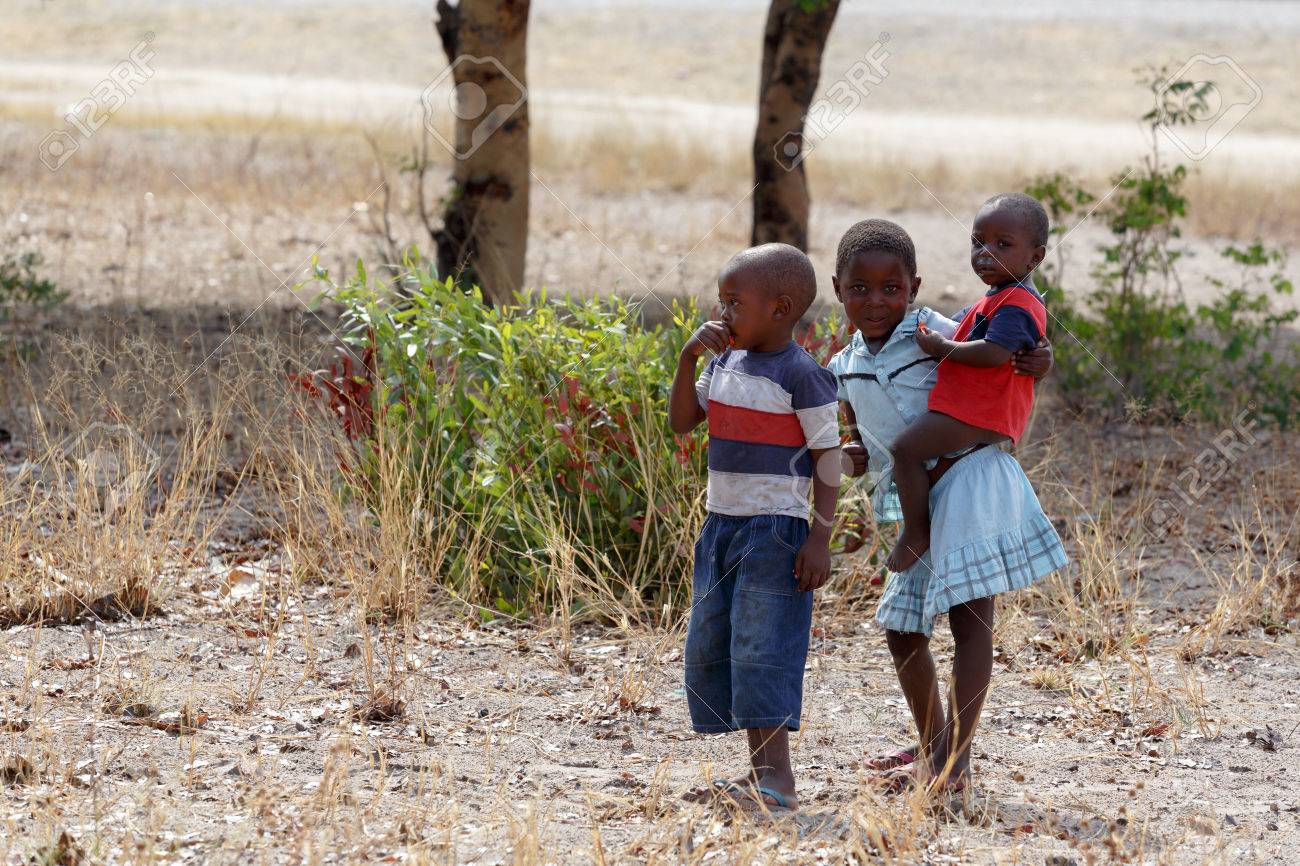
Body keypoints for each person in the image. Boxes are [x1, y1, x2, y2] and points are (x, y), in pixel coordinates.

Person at [826, 218, 1067, 793]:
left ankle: (954, 762)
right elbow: (864, 438)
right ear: (837, 289)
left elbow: (1005, 352)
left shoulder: (937, 329)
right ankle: (933, 742)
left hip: (966, 484)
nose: (877, 301)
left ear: (914, 288)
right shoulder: (842, 368)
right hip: (918, 504)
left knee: (968, 623)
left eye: (892, 288)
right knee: (902, 629)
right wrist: (849, 457)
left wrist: (1042, 358)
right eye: (860, 288)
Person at [669, 242, 840, 813]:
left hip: (775, 532)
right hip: (721, 525)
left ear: (781, 307)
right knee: (721, 642)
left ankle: (778, 781)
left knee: (765, 646)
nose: (722, 315)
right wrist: (688, 357)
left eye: (734, 302)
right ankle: (757, 774)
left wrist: (819, 538)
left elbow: (829, 459)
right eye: (720, 302)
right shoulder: (723, 362)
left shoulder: (802, 376)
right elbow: (681, 424)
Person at [885, 192, 1055, 574]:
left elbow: (994, 353)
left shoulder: (1016, 303)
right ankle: (932, 532)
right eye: (978, 242)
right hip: (975, 410)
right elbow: (969, 329)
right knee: (936, 472)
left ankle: (916, 533)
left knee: (905, 450)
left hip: (981, 411)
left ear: (1035, 256)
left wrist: (941, 348)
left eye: (1002, 244)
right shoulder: (996, 299)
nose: (985, 253)